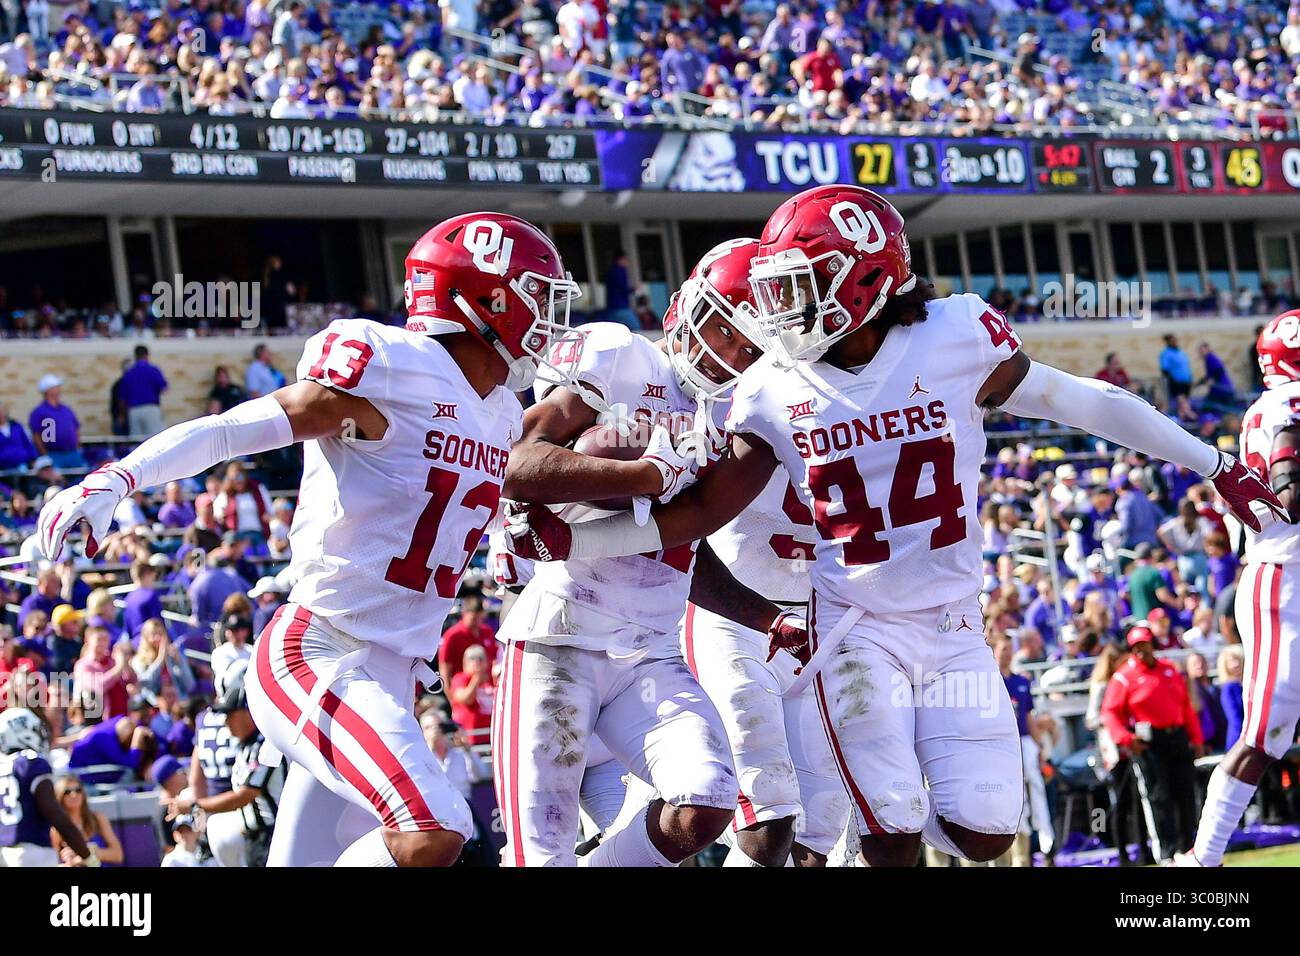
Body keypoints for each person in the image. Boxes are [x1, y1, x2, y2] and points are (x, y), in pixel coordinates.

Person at [507, 184, 1284, 866]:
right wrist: (576, 536)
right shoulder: (773, 387)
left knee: (983, 833)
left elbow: (1081, 400)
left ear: (868, 282)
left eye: (802, 285)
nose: (779, 311)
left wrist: (1210, 463)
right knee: (879, 832)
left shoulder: (955, 335)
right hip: (850, 625)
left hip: (951, 623)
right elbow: (699, 514)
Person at [38, 212, 584, 868]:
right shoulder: (392, 366)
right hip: (318, 651)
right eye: (533, 295)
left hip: (392, 678)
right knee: (436, 827)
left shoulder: (501, 410)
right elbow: (234, 430)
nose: (546, 316)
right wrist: (120, 478)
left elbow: (448, 510)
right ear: (479, 299)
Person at [494, 236, 794, 868]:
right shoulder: (621, 355)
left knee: (707, 800)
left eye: (749, 346)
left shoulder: (736, 413)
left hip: (649, 648)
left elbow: (678, 542)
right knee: (539, 856)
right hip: (561, 636)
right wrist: (642, 477)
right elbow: (515, 463)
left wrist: (766, 617)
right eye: (723, 328)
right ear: (685, 306)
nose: (728, 355)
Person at [1176, 312, 1300, 866]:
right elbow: (1290, 490)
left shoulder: (1263, 407)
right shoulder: (1286, 407)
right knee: (1262, 736)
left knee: (1265, 737)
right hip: (1284, 577)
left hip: (1281, 568)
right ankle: (1201, 861)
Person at [163, 662, 284, 867]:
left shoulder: (265, 744)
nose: (226, 722)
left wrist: (195, 805)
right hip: (253, 836)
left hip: (273, 834)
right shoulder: (246, 746)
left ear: (247, 712)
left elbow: (244, 796)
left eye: (230, 715)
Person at [1102, 623, 1203, 862]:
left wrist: (1196, 738)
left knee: (1185, 794)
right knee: (1159, 797)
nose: (1140, 651)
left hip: (1176, 737)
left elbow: (1185, 708)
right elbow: (1110, 712)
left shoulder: (1169, 670)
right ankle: (1167, 852)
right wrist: (1125, 739)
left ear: (1151, 645)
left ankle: (1188, 847)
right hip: (1150, 743)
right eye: (1135, 647)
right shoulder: (1124, 678)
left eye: (1143, 645)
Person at [0, 709, 97, 867]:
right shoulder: (32, 762)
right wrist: (86, 855)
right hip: (31, 852)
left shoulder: (3, 767)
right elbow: (53, 811)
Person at [50, 772, 125, 865]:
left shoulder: (98, 819)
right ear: (59, 796)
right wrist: (70, 863)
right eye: (67, 792)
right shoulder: (55, 829)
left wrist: (91, 854)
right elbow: (50, 864)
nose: (74, 794)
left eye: (78, 790)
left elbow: (118, 855)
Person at [436, 592, 497, 691]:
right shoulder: (452, 635)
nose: (477, 623)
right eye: (473, 619)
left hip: (486, 690)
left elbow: (493, 660)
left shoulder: (487, 632)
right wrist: (451, 698)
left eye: (479, 618)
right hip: (462, 689)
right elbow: (445, 669)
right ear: (464, 614)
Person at [28, 373, 84, 470]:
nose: (59, 389)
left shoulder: (66, 409)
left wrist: (77, 446)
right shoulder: (39, 412)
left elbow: (76, 427)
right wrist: (45, 455)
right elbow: (36, 435)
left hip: (72, 453)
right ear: (48, 390)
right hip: (53, 454)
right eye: (56, 387)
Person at [448, 644, 494, 744]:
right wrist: (476, 679)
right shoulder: (460, 679)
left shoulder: (491, 680)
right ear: (465, 662)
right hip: (470, 738)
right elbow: (466, 699)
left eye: (480, 658)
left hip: (491, 735)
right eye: (472, 659)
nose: (476, 662)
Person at [121, 345, 169, 439]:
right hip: (151, 408)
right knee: (156, 440)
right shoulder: (153, 370)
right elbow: (164, 388)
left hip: (134, 411)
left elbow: (122, 399)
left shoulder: (129, 373)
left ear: (135, 356)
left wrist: (122, 415)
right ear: (147, 355)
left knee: (136, 443)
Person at [122, 558, 164, 641]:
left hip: (135, 643)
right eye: (153, 577)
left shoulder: (128, 598)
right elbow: (159, 625)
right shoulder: (150, 596)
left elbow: (128, 629)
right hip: (150, 642)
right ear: (147, 575)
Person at [602, 251, 637, 330]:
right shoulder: (620, 270)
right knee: (638, 329)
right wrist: (634, 289)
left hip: (611, 307)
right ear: (621, 259)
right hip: (621, 307)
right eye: (626, 260)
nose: (627, 262)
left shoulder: (610, 271)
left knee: (612, 331)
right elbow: (623, 288)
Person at [0, 402, 37, 471]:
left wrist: (33, 458)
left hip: (22, 464)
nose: (1, 414)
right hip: (3, 467)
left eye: (2, 411)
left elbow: (27, 443)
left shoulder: (16, 426)